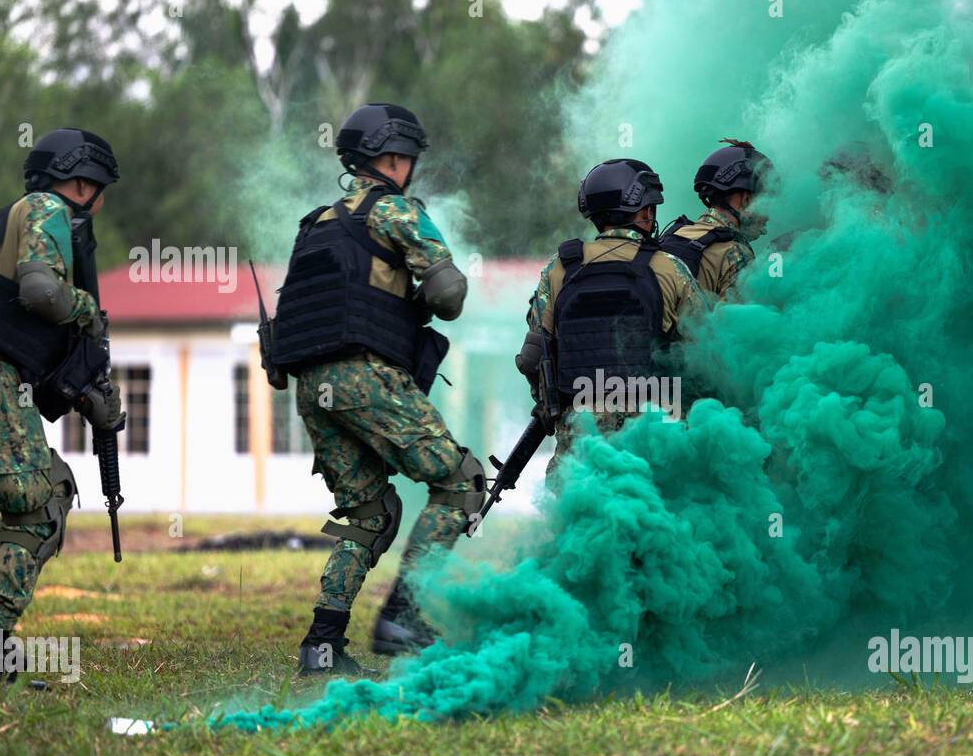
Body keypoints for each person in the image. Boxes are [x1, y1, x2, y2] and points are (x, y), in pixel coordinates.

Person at [269, 103, 484, 675]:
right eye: (407, 157)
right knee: (460, 481)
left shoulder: (314, 223)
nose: (410, 167)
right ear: (391, 157)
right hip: (364, 376)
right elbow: (449, 296)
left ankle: (322, 645)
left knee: (368, 511)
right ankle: (404, 617)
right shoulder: (396, 211)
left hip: (312, 385)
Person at [0, 128, 124, 682]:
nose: (101, 203)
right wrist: (86, 308)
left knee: (29, 498)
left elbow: (26, 340)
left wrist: (88, 399)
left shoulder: (0, 228)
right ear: (81, 183)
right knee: (40, 503)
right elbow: (41, 292)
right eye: (100, 189)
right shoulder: (46, 208)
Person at [517, 158, 703, 470]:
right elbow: (702, 352)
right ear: (644, 211)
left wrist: (550, 404)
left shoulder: (559, 267)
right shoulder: (669, 267)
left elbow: (533, 355)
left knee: (585, 517)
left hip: (580, 439)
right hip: (655, 437)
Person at [658, 139, 775, 300]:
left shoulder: (674, 233)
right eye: (765, 204)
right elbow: (738, 322)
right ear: (746, 200)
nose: (767, 216)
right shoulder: (736, 253)